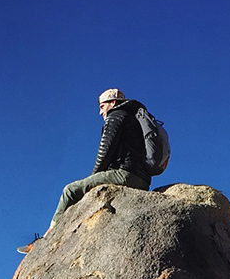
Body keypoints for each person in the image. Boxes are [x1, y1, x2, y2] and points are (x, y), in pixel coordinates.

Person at [55, 88, 155, 218]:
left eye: (102, 106)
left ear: (113, 102)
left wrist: (93, 177)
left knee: (70, 191)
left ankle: (52, 228)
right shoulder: (135, 119)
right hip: (143, 181)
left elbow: (105, 152)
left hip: (125, 175)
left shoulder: (115, 116)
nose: (100, 112)